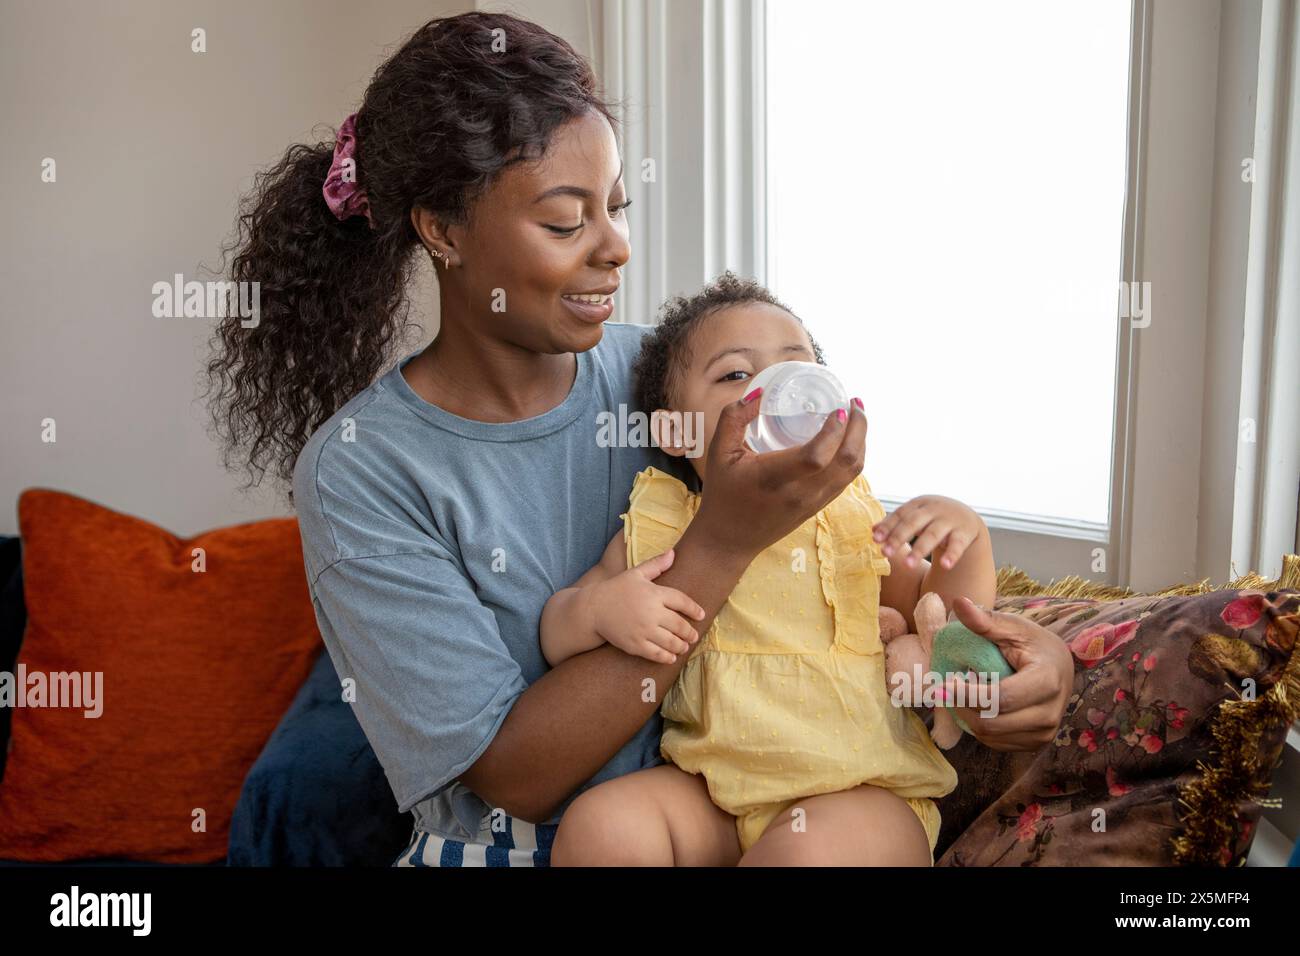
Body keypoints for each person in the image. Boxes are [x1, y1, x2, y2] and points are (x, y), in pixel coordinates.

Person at [206, 11, 1074, 867]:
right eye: (564, 221)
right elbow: (518, 776)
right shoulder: (364, 471)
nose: (616, 248)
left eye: (616, 208)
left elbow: (864, 575)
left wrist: (1023, 672)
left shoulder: (673, 378)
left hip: (752, 822)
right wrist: (722, 543)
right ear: (442, 229)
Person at [542, 273, 996, 865]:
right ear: (673, 432)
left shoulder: (851, 516)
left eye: (795, 369)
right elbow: (557, 629)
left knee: (806, 854)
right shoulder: (661, 523)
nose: (775, 393)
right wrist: (602, 609)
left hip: (860, 795)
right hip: (712, 793)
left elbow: (944, 619)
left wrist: (968, 538)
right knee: (604, 825)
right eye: (735, 375)